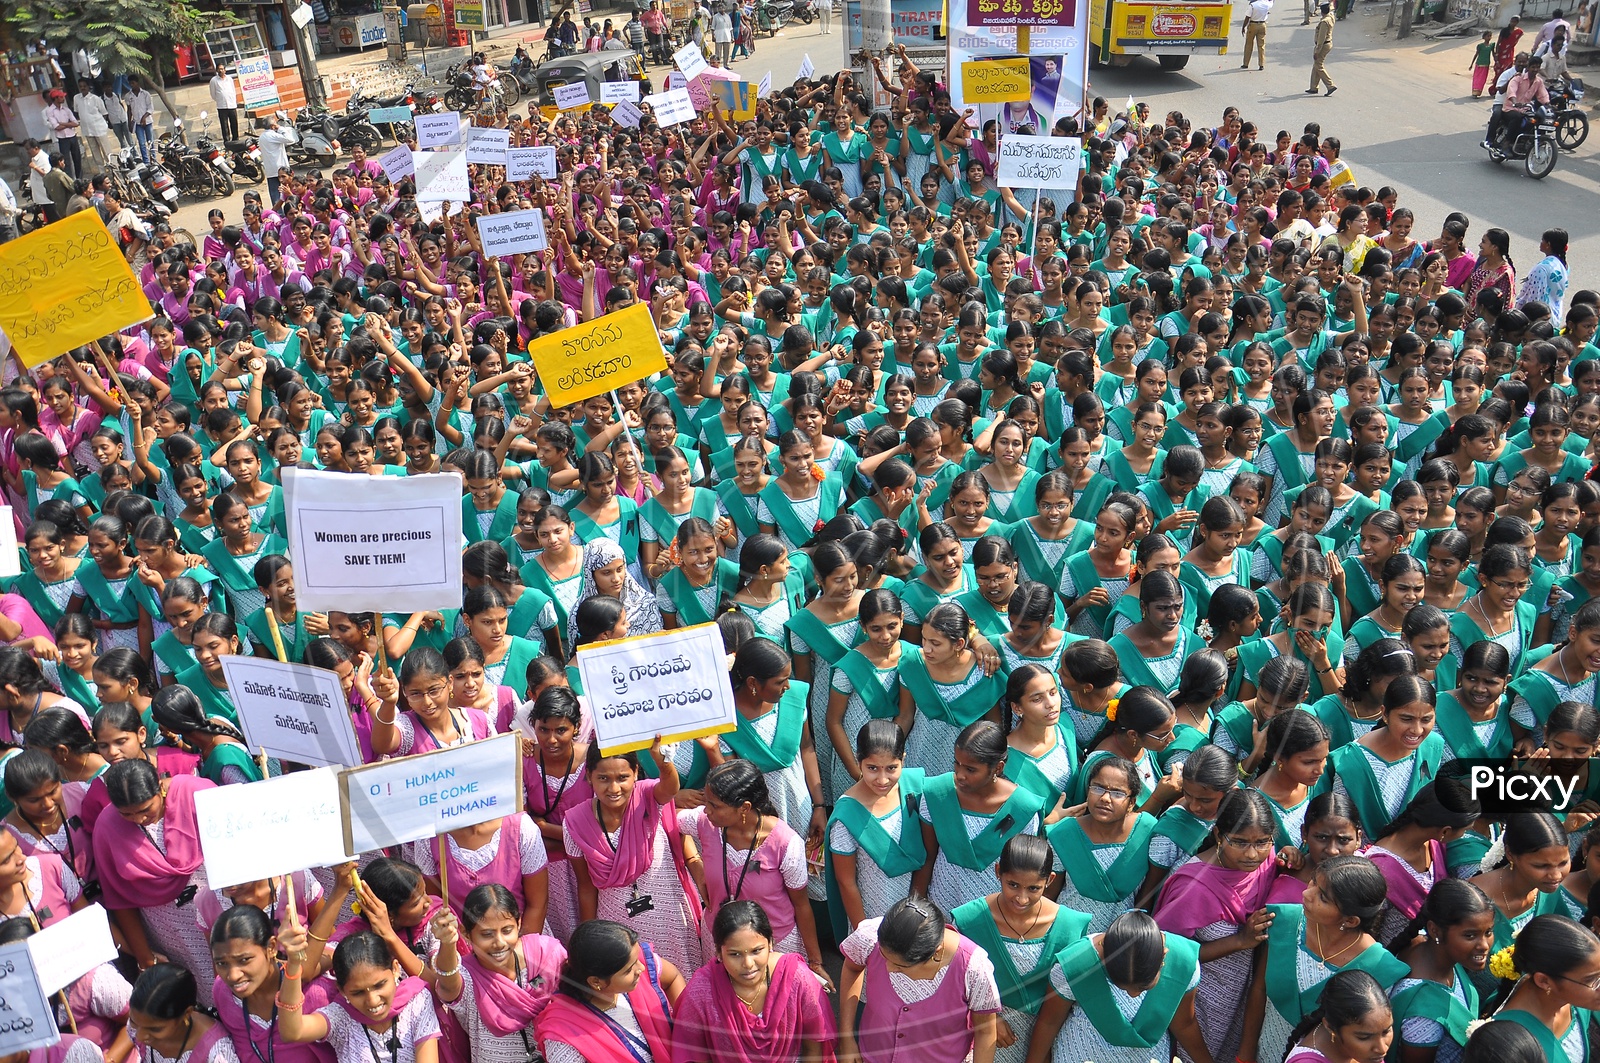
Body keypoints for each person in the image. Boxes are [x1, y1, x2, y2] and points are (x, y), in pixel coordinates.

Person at [672, 900, 838, 1063]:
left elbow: (814, 1046)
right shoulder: (702, 992)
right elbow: (693, 1053)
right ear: (718, 952)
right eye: (735, 954)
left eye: (756, 951)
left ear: (771, 943)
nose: (748, 964)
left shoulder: (796, 977)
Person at [1486, 53, 1548, 153]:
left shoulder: (1538, 81)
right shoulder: (1514, 76)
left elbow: (1543, 95)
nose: (1535, 69)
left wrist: (1548, 104)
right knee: (1499, 115)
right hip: (1507, 105)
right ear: (1515, 62)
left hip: (1524, 108)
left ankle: (1526, 141)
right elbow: (1507, 91)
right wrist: (1515, 102)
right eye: (1533, 67)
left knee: (1535, 119)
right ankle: (1496, 140)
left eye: (1537, 67)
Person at [73, 81, 116, 173]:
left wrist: (99, 124)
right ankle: (102, 173)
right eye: (81, 86)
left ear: (89, 87)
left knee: (107, 152)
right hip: (87, 130)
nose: (83, 88)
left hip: (99, 129)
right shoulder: (76, 98)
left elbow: (104, 113)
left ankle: (114, 172)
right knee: (95, 153)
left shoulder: (96, 99)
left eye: (85, 86)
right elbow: (77, 112)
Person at [258, 112, 298, 208]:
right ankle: (293, 206)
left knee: (274, 192)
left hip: (270, 169)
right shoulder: (273, 135)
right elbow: (291, 139)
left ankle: (278, 211)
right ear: (272, 126)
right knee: (290, 188)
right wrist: (280, 128)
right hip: (281, 168)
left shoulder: (262, 136)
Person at [43, 89, 82, 180]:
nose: (63, 98)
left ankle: (80, 178)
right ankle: (70, 179)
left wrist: (63, 124)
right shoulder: (50, 111)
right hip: (62, 138)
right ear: (55, 98)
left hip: (72, 135)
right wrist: (68, 124)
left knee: (77, 158)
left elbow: (76, 123)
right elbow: (56, 126)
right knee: (66, 162)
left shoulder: (66, 109)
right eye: (61, 97)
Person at [1309, 3, 1338, 95]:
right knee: (1316, 65)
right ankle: (1313, 87)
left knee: (1319, 65)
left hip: (1323, 45)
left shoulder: (1324, 22)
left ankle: (1330, 85)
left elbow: (1321, 38)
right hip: (1328, 43)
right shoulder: (1331, 17)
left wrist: (1317, 51)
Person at [125, 77, 155, 162]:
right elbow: (129, 110)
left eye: (133, 83)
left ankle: (153, 159)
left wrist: (144, 117)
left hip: (148, 122)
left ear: (137, 83)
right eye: (130, 83)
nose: (132, 85)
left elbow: (151, 108)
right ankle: (146, 162)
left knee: (150, 142)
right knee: (142, 143)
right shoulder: (128, 96)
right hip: (137, 124)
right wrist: (129, 122)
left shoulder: (145, 94)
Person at [209, 66, 240, 143]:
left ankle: (235, 139)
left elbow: (233, 90)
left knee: (234, 123)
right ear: (217, 70)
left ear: (225, 70)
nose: (221, 71)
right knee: (224, 125)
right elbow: (213, 94)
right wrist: (220, 99)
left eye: (222, 69)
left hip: (231, 105)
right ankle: (227, 141)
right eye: (219, 69)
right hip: (222, 106)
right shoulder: (214, 80)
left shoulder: (229, 79)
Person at [1242, 0, 1271, 71]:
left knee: (1249, 44)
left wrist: (1243, 27)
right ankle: (1261, 64)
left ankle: (1246, 63)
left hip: (1253, 25)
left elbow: (1247, 17)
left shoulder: (1253, 5)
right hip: (1262, 25)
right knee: (1261, 45)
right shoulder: (1267, 4)